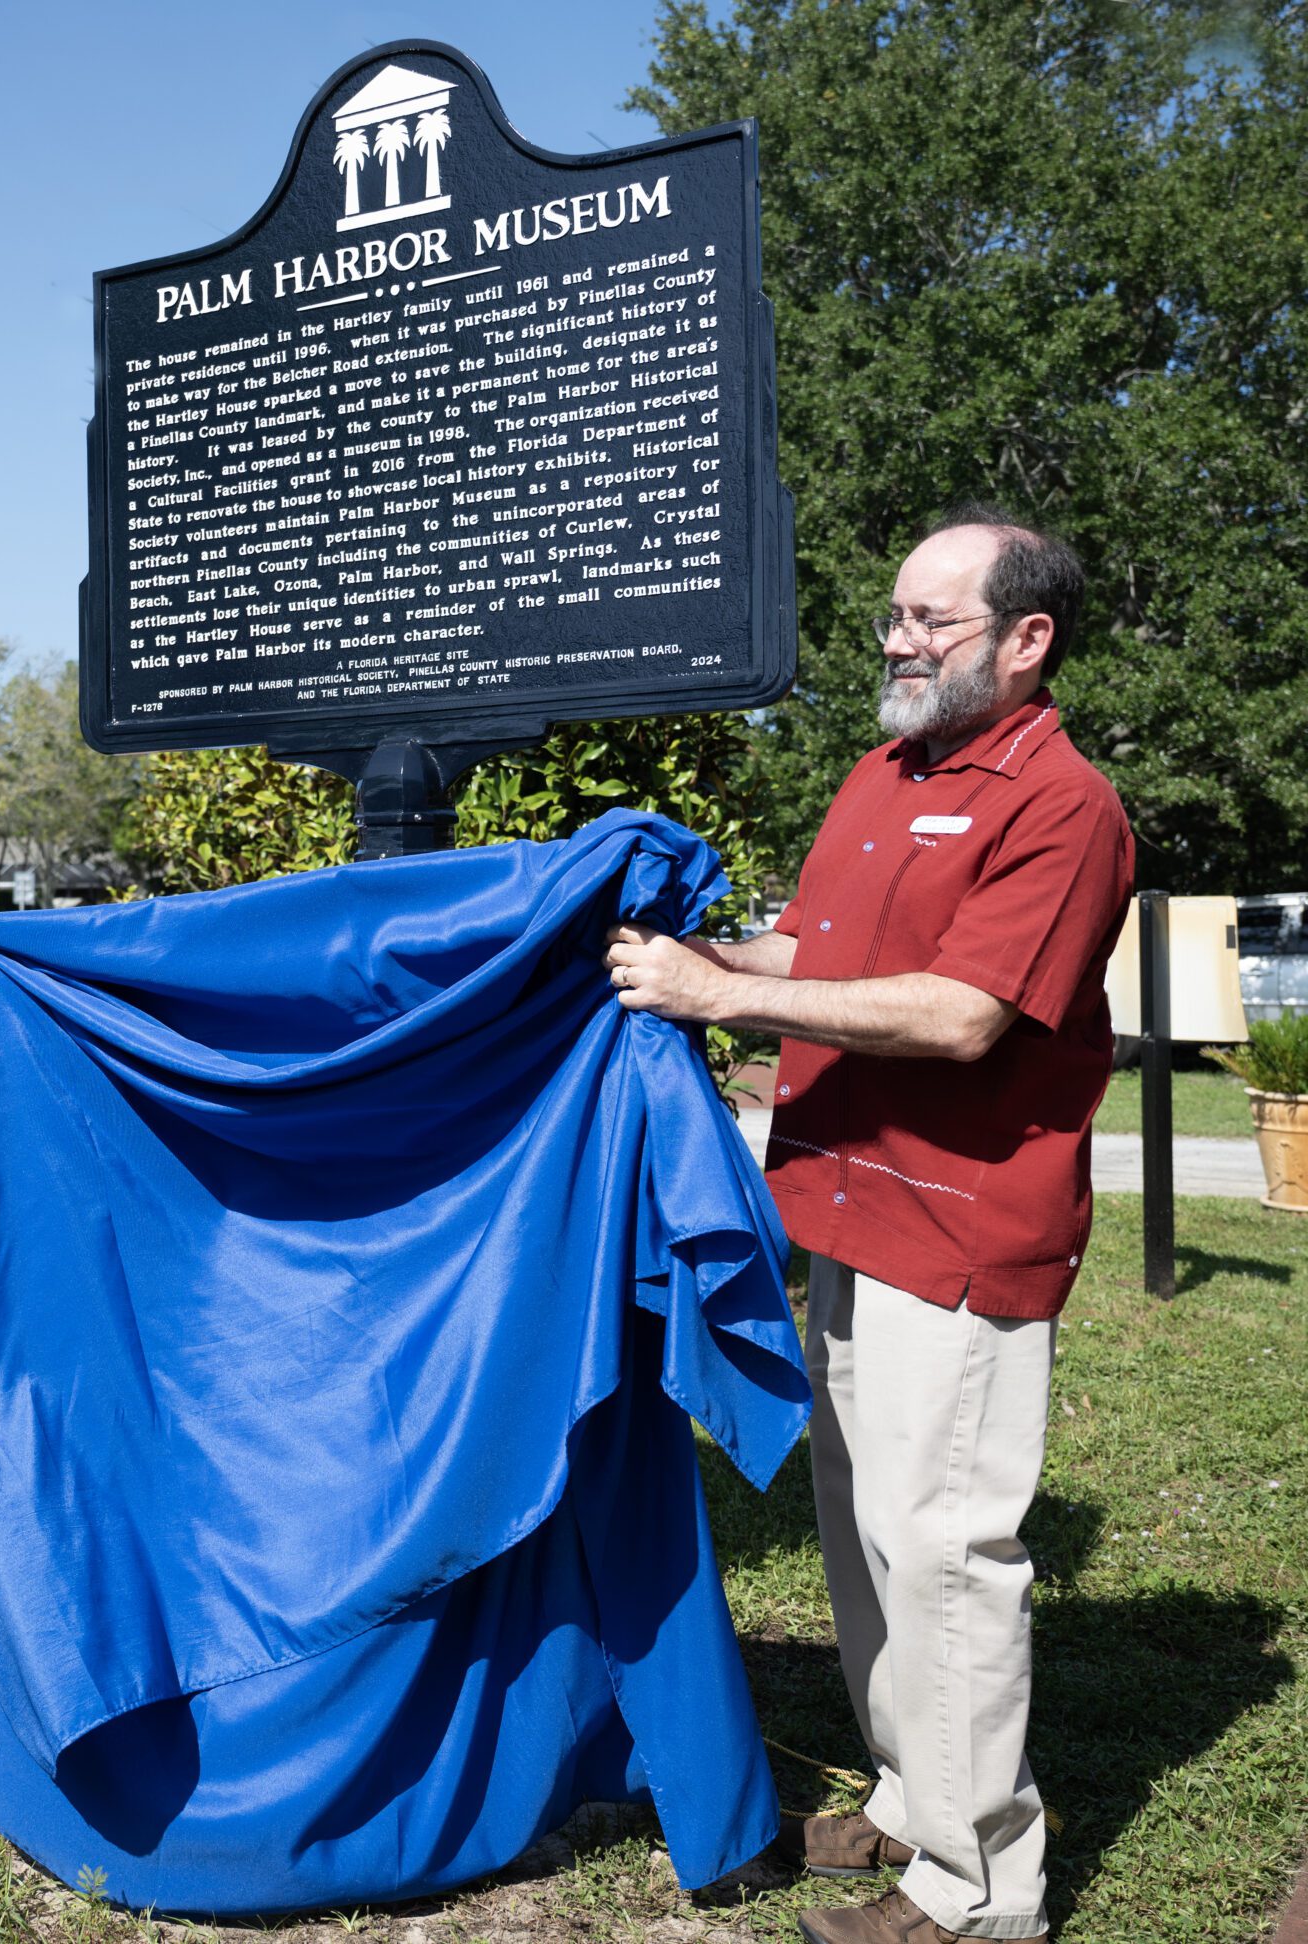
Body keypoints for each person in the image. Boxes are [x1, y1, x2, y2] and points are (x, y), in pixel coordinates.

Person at [606, 507, 1132, 1944]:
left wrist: (727, 1000)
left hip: (960, 1234)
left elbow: (961, 1016)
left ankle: (978, 1894)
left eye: (934, 620)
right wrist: (697, 959)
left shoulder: (1063, 806)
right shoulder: (884, 774)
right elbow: (816, 958)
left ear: (1028, 642)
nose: (900, 640)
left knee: (945, 1549)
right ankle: (913, 1804)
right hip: (839, 1208)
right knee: (865, 1533)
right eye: (895, 615)